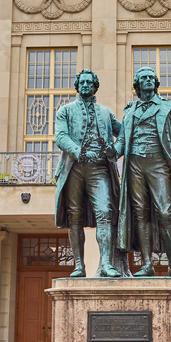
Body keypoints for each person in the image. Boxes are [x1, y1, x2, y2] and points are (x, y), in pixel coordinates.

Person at [116, 67, 171, 277]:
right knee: (140, 212)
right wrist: (108, 153)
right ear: (137, 84)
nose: (148, 80)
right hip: (135, 164)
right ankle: (146, 264)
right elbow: (122, 142)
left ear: (156, 82)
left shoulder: (168, 107)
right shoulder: (129, 111)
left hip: (159, 163)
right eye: (144, 78)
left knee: (165, 212)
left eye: (151, 77)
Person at [53, 69, 123, 277]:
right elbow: (61, 136)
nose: (85, 85)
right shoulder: (65, 111)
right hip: (74, 168)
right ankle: (78, 265)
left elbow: (124, 134)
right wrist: (79, 151)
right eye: (82, 82)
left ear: (95, 86)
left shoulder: (106, 112)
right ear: (77, 86)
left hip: (99, 169)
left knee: (104, 212)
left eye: (89, 83)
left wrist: (115, 150)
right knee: (75, 216)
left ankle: (106, 264)